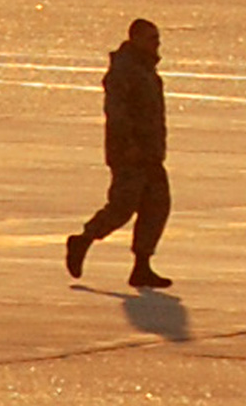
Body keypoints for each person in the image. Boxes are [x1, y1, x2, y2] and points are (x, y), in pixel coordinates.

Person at [65, 16, 171, 289]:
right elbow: (117, 112)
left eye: (157, 39)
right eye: (151, 39)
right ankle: (84, 239)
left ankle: (142, 266)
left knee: (156, 206)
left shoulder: (146, 69)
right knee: (123, 207)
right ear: (135, 39)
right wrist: (128, 146)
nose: (156, 44)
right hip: (131, 154)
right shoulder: (125, 70)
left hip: (150, 153)